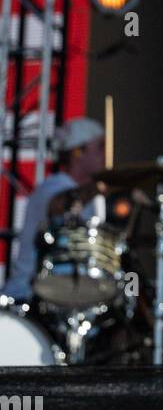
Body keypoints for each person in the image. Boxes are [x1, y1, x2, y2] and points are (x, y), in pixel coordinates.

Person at [2, 117, 106, 303]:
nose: (105, 154)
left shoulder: (95, 199)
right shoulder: (51, 188)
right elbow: (60, 206)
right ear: (78, 152)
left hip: (70, 295)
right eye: (99, 147)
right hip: (29, 296)